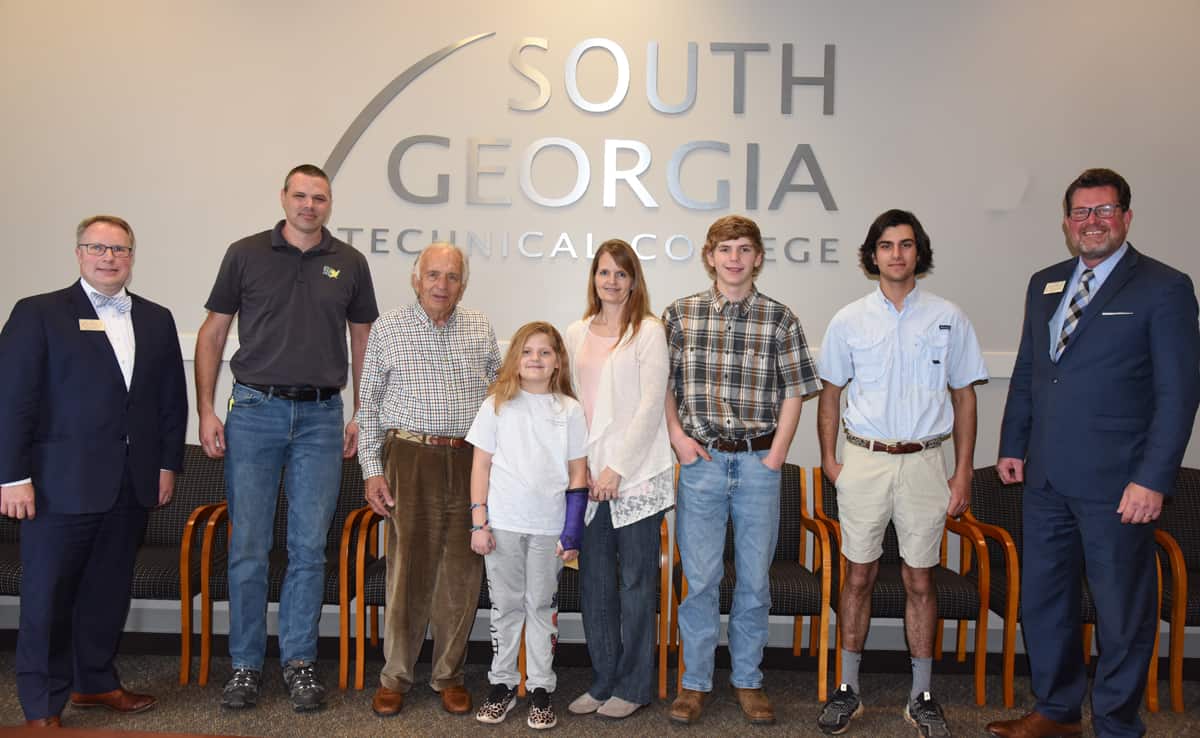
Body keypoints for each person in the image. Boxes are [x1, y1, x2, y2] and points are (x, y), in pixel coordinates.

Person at [988, 168, 1200, 738]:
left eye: (1104, 211)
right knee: (1044, 602)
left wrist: (1152, 478)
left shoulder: (1163, 286)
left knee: (1121, 613)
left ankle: (1115, 724)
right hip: (1046, 478)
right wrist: (1013, 443)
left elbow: (1178, 394)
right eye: (1081, 213)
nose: (1092, 222)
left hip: (1119, 485)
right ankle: (1056, 712)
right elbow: (1032, 369)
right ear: (1066, 222)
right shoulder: (1045, 283)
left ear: (1126, 218)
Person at [194, 164, 378, 712]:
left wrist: (361, 413)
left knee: (307, 548)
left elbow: (363, 338)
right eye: (299, 196)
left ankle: (299, 662)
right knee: (248, 546)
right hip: (254, 411)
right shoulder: (245, 253)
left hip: (321, 418)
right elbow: (212, 332)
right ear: (283, 198)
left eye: (319, 197)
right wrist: (205, 409)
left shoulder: (350, 262)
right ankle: (246, 665)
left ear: (330, 203)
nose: (308, 205)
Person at [0, 215, 187, 727]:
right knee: (48, 598)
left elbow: (171, 401)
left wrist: (167, 464)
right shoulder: (38, 313)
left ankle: (96, 683)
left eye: (120, 250)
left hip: (130, 484)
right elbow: (13, 402)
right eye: (98, 248)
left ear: (132, 256)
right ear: (79, 253)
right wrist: (11, 477)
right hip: (59, 485)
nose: (109, 258)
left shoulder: (155, 318)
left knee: (108, 592)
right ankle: (42, 706)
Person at [815, 209, 987, 737]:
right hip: (863, 461)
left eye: (906, 244)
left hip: (925, 464)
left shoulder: (949, 317)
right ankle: (847, 689)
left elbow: (964, 397)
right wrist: (830, 461)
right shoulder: (848, 319)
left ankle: (922, 695)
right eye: (886, 245)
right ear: (872, 255)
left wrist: (962, 473)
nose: (896, 254)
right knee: (859, 576)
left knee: (919, 578)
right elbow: (830, 395)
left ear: (919, 252)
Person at [663, 214, 822, 725]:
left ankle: (749, 681)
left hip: (759, 463)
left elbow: (797, 390)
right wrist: (678, 439)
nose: (734, 258)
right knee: (702, 578)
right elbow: (661, 386)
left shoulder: (780, 318)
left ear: (757, 257)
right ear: (710, 256)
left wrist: (775, 455)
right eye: (725, 248)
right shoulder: (679, 315)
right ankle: (694, 684)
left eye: (744, 249)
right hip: (701, 465)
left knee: (755, 580)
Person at [357, 242, 501, 718]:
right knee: (408, 572)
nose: (443, 285)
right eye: (434, 275)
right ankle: (396, 675)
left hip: (467, 460)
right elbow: (369, 405)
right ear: (416, 280)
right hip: (409, 456)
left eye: (453, 276)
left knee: (462, 572)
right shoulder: (389, 327)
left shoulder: (480, 327)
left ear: (464, 283)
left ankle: (449, 675)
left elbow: (502, 395)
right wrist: (372, 469)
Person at [564, 239, 674, 720]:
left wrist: (616, 468)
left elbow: (651, 408)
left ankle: (633, 685)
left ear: (634, 281)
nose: (611, 281)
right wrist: (581, 468)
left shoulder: (648, 332)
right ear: (594, 278)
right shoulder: (575, 331)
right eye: (604, 272)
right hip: (587, 477)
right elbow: (568, 403)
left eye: (621, 274)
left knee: (635, 584)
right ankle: (603, 679)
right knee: (594, 584)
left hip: (636, 476)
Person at [467, 322, 589, 729]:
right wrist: (478, 522)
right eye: (527, 352)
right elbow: (480, 464)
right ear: (515, 359)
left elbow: (577, 473)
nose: (535, 359)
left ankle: (540, 688)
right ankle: (502, 685)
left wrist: (573, 530)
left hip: (548, 529)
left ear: (558, 362)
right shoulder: (497, 404)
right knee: (505, 608)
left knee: (540, 607)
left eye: (545, 352)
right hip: (502, 525)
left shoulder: (569, 410)